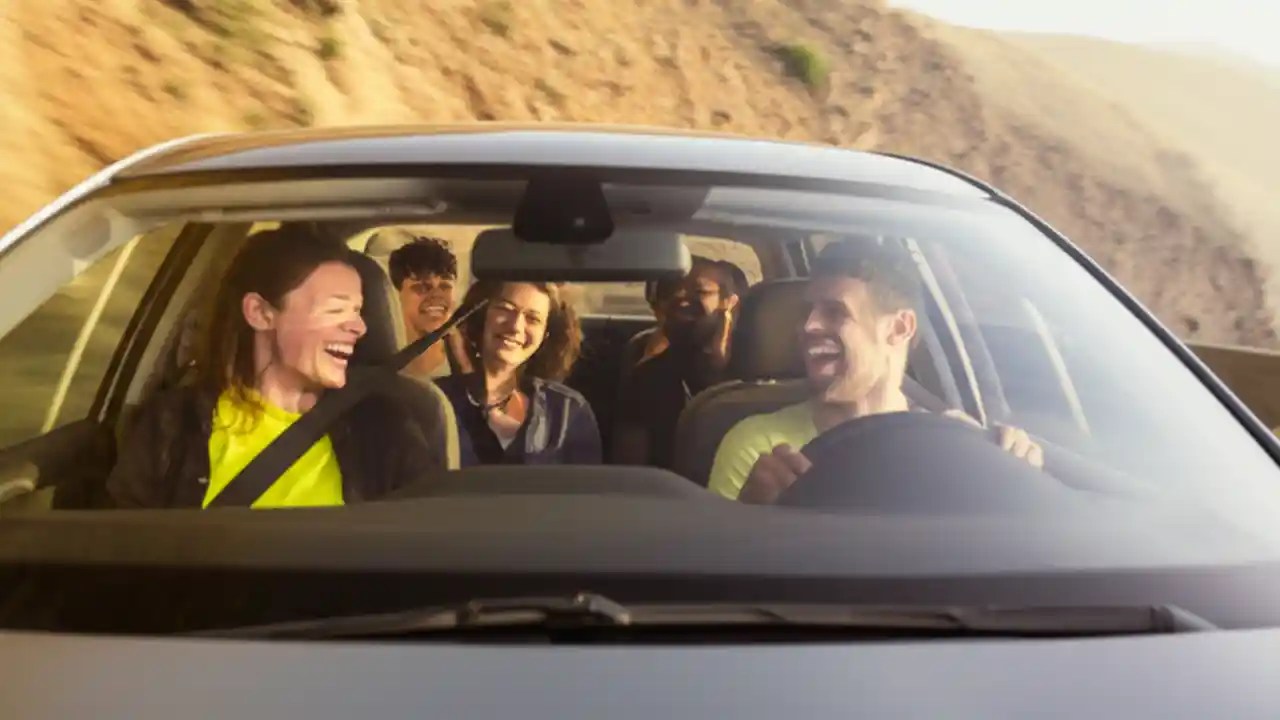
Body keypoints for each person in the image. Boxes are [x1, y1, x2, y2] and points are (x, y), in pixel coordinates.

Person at [108, 226, 444, 509]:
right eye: (336, 310)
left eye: (357, 311)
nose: (359, 327)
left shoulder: (384, 430)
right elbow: (120, 559)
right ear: (260, 313)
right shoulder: (172, 426)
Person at [709, 240, 1043, 503]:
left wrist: (1018, 475)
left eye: (835, 311)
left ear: (899, 328)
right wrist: (750, 514)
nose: (808, 326)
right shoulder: (757, 447)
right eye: (807, 310)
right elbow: (715, 582)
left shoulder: (953, 446)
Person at [436, 281, 602, 465]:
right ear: (480, 317)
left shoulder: (568, 411)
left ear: (545, 335)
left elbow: (586, 491)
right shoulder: (432, 403)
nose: (515, 326)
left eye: (533, 319)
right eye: (505, 309)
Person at [613, 256, 742, 469]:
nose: (681, 298)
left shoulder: (760, 374)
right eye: (670, 291)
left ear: (728, 302)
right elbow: (630, 473)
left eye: (699, 291)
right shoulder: (647, 377)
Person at [386, 233, 470, 378]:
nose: (436, 295)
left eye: (445, 286)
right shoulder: (380, 360)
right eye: (422, 287)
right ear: (397, 294)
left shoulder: (466, 361)